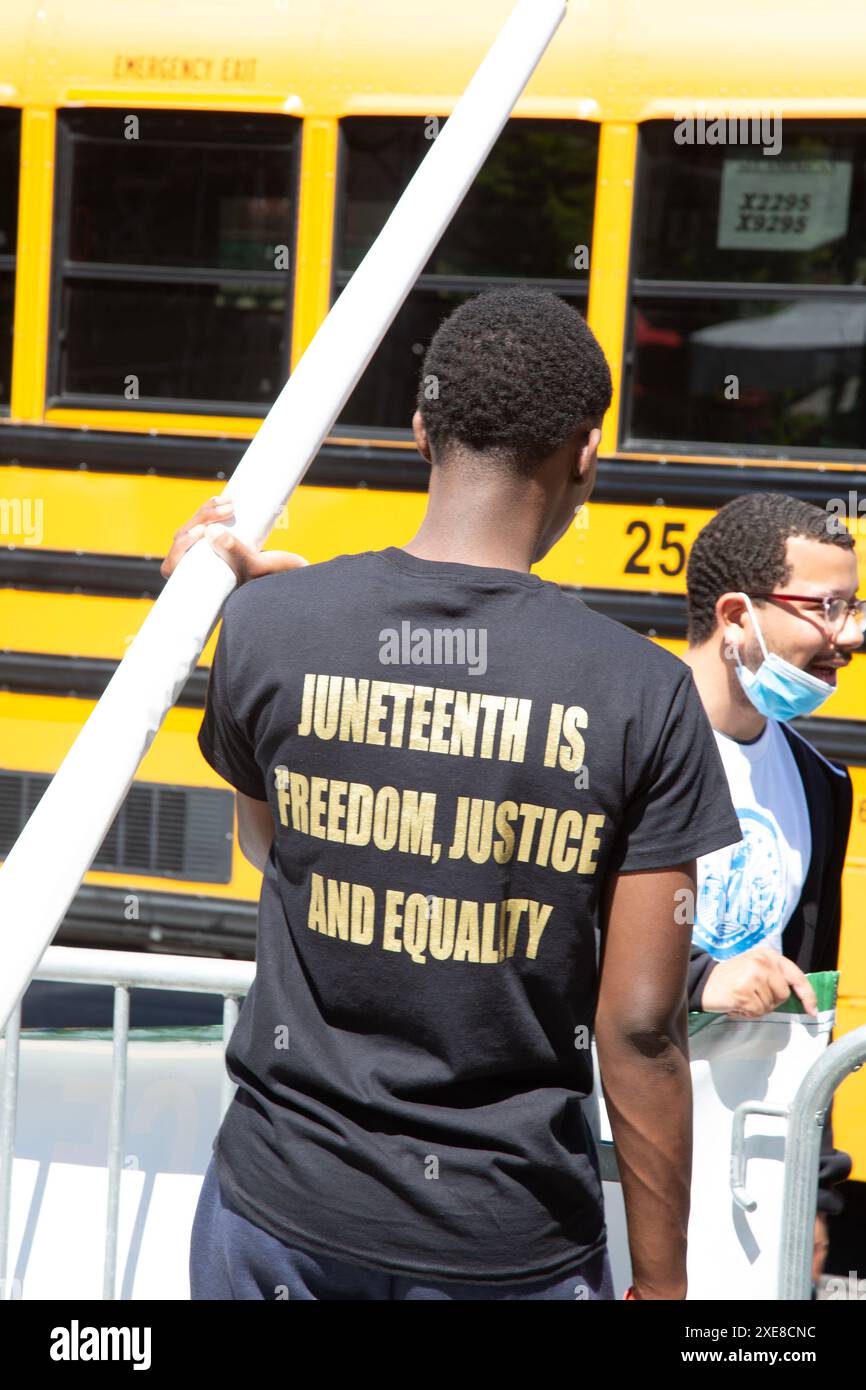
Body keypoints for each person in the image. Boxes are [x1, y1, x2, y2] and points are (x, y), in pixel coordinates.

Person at [165, 286, 742, 1300]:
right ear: (585, 455)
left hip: (273, 1211)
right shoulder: (640, 693)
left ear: (421, 429)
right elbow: (641, 1025)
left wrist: (210, 612)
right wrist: (660, 1287)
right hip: (501, 1238)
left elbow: (271, 848)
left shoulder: (268, 626)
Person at [679, 492, 864, 1286]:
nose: (851, 635)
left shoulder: (822, 785)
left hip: (749, 1184)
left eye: (855, 606)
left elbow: (808, 1004)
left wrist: (814, 1192)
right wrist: (698, 979)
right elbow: (543, 930)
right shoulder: (616, 745)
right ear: (734, 616)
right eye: (828, 608)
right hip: (605, 1162)